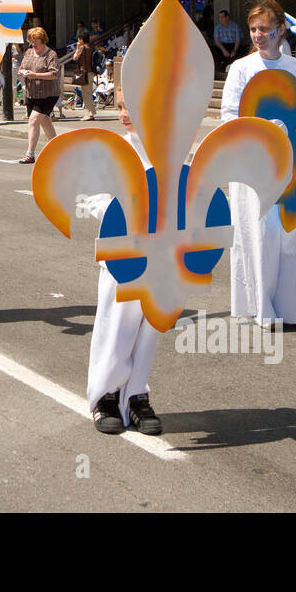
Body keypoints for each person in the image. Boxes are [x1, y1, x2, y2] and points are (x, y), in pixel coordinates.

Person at [222, 0, 296, 331]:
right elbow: (229, 117)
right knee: (264, 234)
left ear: (281, 30)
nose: (258, 34)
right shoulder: (242, 68)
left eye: (265, 28)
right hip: (255, 167)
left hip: (293, 165)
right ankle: (262, 306)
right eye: (253, 29)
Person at [87, 89, 162, 435]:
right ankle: (106, 395)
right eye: (118, 106)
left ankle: (135, 396)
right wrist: (128, 213)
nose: (123, 113)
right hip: (121, 253)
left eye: (130, 105)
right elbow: (96, 200)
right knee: (116, 326)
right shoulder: (115, 151)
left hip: (160, 254)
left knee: (149, 328)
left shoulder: (167, 149)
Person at [17, 27, 60, 164]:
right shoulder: (29, 52)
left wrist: (34, 75)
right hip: (32, 93)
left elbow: (54, 74)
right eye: (31, 41)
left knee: (34, 120)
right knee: (45, 122)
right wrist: (22, 72)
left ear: (43, 40)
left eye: (36, 41)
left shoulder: (51, 54)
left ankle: (30, 153)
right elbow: (21, 67)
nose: (33, 44)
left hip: (47, 94)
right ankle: (59, 148)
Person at [71, 31, 95, 121]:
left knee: (86, 94)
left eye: (79, 39)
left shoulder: (81, 47)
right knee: (88, 93)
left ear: (81, 39)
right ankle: (89, 112)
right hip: (91, 72)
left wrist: (77, 49)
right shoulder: (91, 47)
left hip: (84, 73)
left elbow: (75, 58)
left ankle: (90, 114)